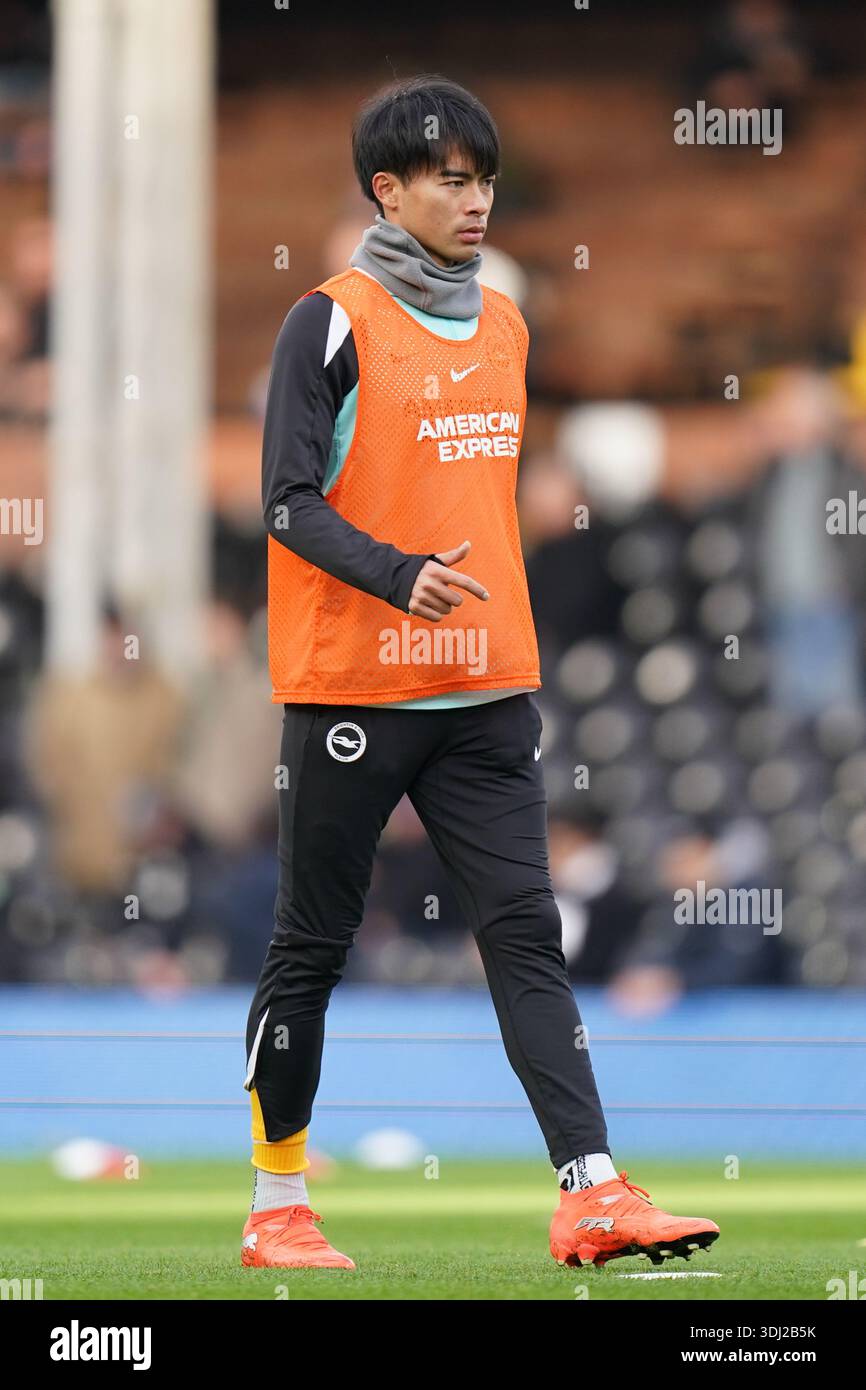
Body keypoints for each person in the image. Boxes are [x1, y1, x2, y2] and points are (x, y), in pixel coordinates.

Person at [240, 74, 719, 1272]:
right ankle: (277, 1207)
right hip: (351, 687)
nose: (472, 198)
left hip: (485, 686)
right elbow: (285, 505)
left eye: (482, 177)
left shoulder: (505, 322)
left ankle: (591, 1190)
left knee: (525, 931)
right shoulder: (329, 322)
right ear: (385, 190)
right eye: (447, 177)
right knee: (310, 948)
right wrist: (397, 574)